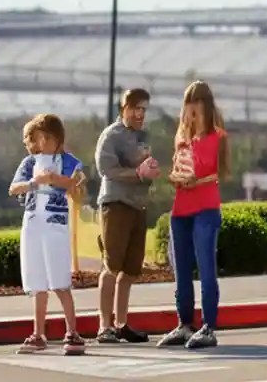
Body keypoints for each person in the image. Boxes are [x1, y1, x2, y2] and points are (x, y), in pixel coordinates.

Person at [158, 80, 228, 350]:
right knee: (182, 271)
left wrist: (193, 181)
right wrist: (176, 178)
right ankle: (184, 324)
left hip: (206, 209)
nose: (192, 109)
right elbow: (179, 169)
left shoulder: (216, 136)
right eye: (189, 103)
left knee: (206, 270)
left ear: (206, 106)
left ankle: (209, 326)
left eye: (197, 103)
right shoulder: (181, 138)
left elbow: (215, 173)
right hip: (181, 210)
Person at [9, 113, 87, 355]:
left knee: (59, 279)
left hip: (56, 224)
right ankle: (38, 333)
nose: (33, 146)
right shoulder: (29, 163)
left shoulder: (69, 162)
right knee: (37, 280)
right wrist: (34, 183)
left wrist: (55, 179)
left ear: (46, 138)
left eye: (35, 139)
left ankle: (72, 331)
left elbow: (77, 188)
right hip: (33, 223)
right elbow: (14, 188)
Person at [95, 88, 160, 344]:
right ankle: (104, 326)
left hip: (138, 206)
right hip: (116, 204)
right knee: (111, 264)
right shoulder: (112, 135)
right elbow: (106, 169)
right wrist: (137, 173)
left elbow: (143, 170)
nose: (140, 114)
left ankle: (121, 324)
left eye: (144, 109)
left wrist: (150, 171)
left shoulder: (143, 137)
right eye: (135, 108)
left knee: (131, 269)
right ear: (123, 108)